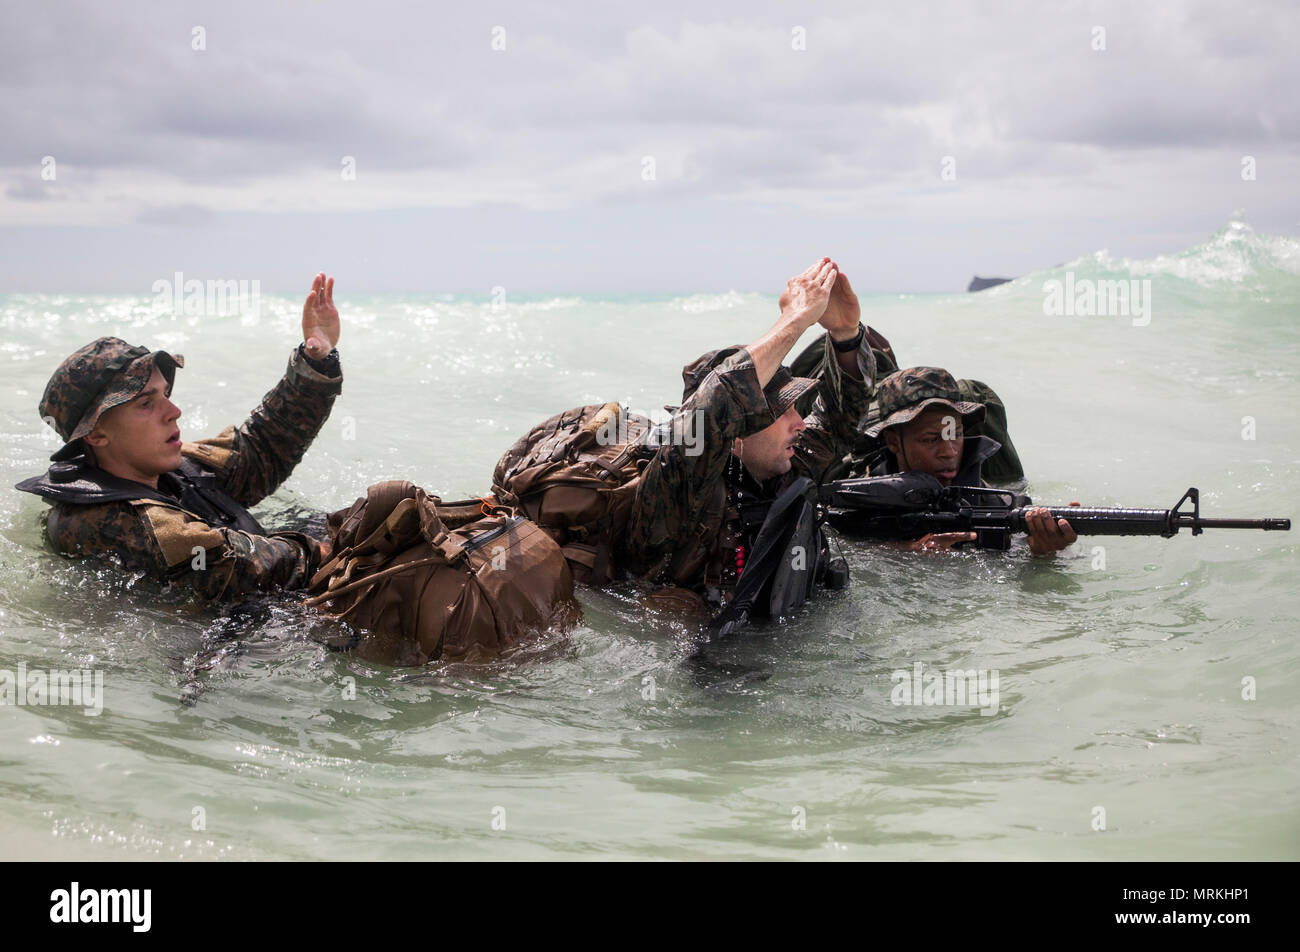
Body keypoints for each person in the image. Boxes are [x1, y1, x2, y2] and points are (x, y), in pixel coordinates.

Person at [16, 273, 345, 597]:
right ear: (97, 434)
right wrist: (347, 545)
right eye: (146, 403)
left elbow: (257, 450)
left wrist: (315, 361)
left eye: (165, 394)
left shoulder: (163, 466)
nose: (173, 411)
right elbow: (241, 565)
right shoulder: (111, 523)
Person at [617, 257, 880, 614]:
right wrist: (794, 320)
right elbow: (714, 408)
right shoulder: (681, 485)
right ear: (734, 431)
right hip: (696, 656)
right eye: (781, 411)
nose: (799, 422)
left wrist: (846, 336)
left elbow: (842, 421)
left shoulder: (785, 466)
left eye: (795, 407)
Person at [863, 366, 1077, 556]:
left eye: (955, 434)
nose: (949, 452)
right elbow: (845, 545)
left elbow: (1017, 555)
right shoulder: (863, 499)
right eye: (930, 439)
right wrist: (910, 551)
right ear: (893, 442)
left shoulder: (993, 501)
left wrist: (1041, 551)